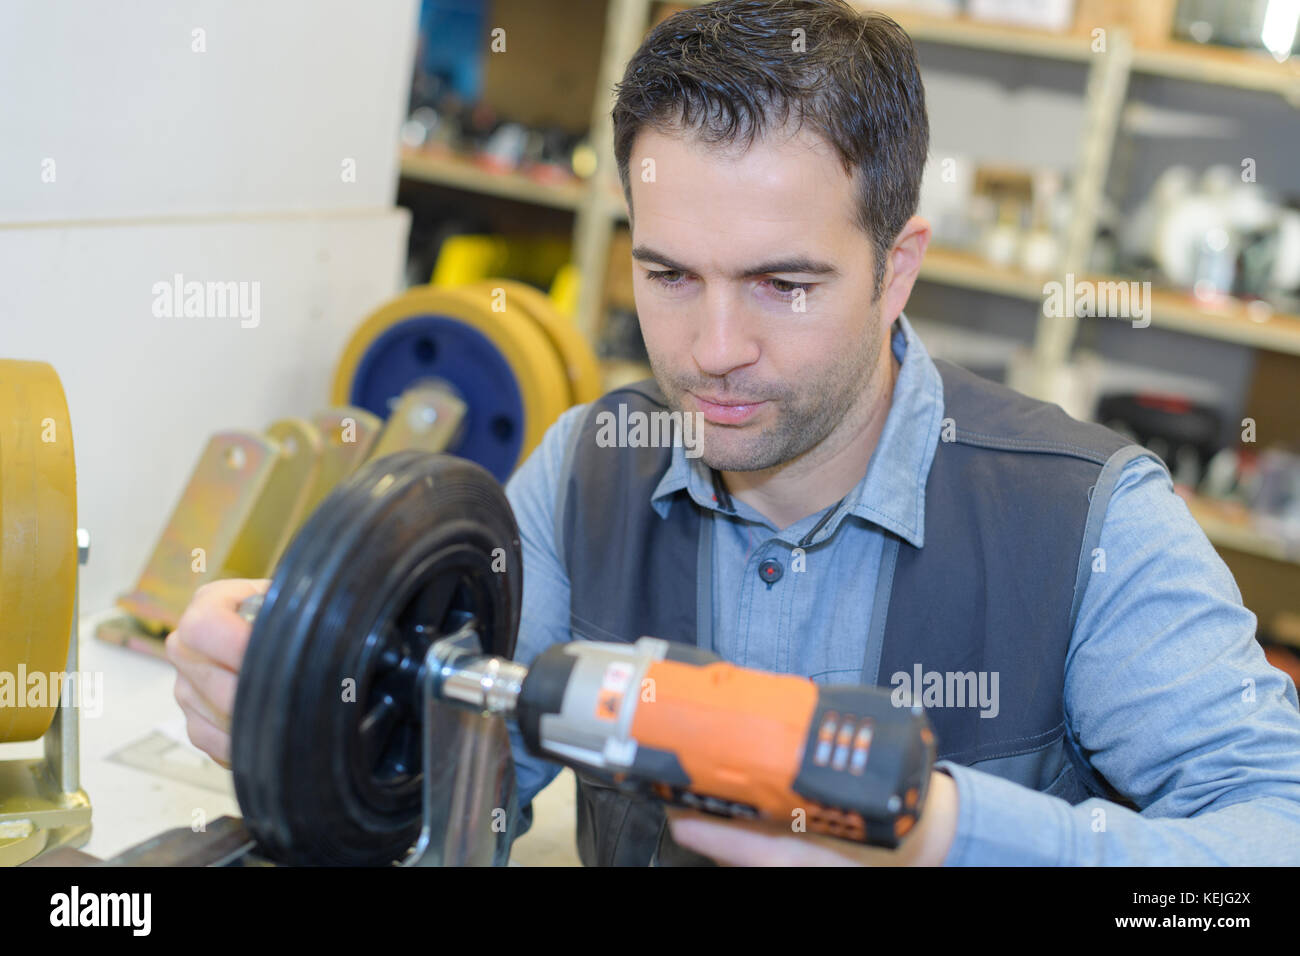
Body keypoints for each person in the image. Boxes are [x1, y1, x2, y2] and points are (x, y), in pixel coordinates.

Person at [167, 0, 1300, 865]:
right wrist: (302, 700)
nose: (710, 348)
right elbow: (455, 773)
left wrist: (936, 833)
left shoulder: (1088, 515)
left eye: (782, 284)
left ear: (895, 268)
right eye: (666, 273)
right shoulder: (582, 476)